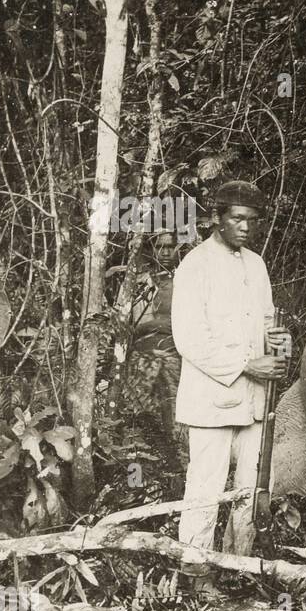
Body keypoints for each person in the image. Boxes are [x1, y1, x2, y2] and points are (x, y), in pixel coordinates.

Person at [172, 180, 289, 583]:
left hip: (255, 400)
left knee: (255, 484)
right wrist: (245, 364)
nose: (245, 227)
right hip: (212, 398)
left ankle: (237, 562)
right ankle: (196, 568)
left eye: (253, 221)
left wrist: (279, 341)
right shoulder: (195, 265)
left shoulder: (255, 265)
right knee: (205, 485)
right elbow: (189, 338)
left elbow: (268, 321)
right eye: (237, 219)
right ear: (216, 219)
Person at [124, 230, 190, 473]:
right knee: (141, 421)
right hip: (142, 361)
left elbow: (189, 325)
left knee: (176, 421)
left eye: (170, 246)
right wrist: (163, 325)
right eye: (159, 247)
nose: (165, 252)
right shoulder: (139, 282)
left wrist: (157, 326)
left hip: (176, 359)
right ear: (150, 250)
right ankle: (142, 479)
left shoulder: (186, 280)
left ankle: (178, 477)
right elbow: (133, 326)